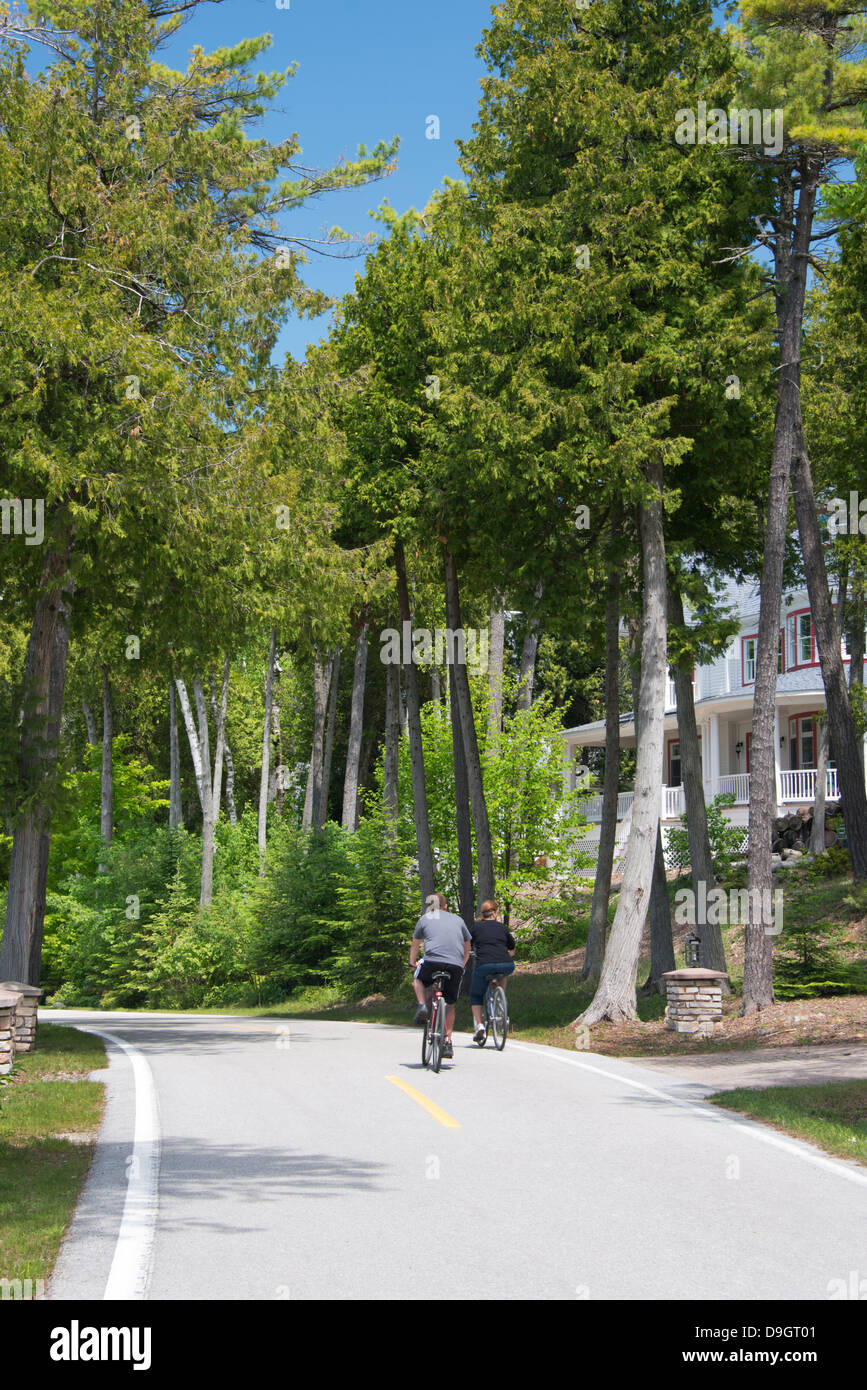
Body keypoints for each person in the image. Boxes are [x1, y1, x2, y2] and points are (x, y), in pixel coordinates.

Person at [409, 891, 471, 1060]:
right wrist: (462, 964)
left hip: (432, 962)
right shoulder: (458, 920)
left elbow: (415, 945)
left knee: (418, 979)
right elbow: (468, 947)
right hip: (455, 965)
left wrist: (412, 962)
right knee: (450, 1004)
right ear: (446, 907)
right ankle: (448, 1042)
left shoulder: (425, 919)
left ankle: (422, 1005)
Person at [469, 900, 516, 1044]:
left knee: (476, 995)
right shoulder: (502, 928)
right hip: (506, 963)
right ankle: (501, 1001)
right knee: (503, 972)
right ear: (495, 913)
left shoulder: (476, 927)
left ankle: (479, 1025)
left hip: (485, 965)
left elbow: (468, 945)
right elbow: (512, 948)